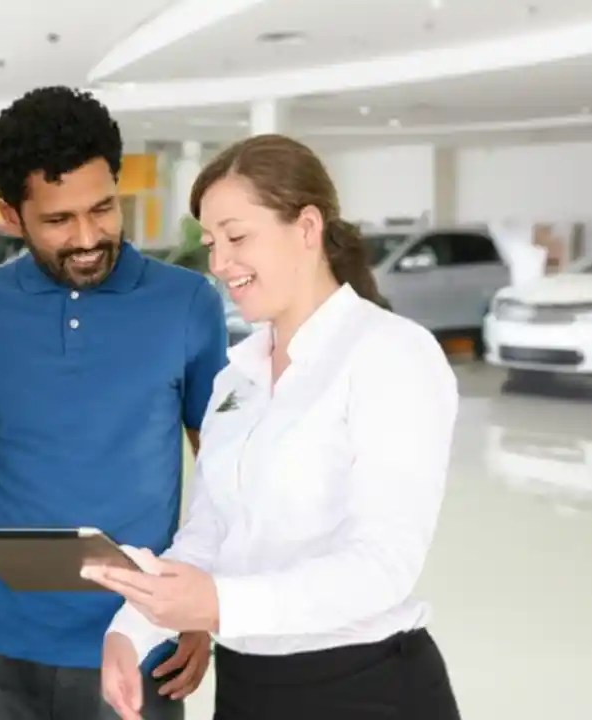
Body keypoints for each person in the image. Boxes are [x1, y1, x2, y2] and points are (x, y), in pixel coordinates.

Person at [86, 134, 462, 720]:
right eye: (211, 243)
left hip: (365, 689)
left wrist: (219, 604)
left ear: (307, 228)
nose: (218, 263)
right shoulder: (238, 377)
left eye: (237, 237)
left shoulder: (390, 353)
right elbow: (208, 534)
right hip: (249, 688)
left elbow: (383, 564)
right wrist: (128, 631)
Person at [0, 86, 229, 720]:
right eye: (58, 220)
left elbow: (219, 460)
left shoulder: (188, 303)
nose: (88, 237)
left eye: (103, 208)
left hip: (139, 637)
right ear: (11, 214)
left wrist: (205, 601)